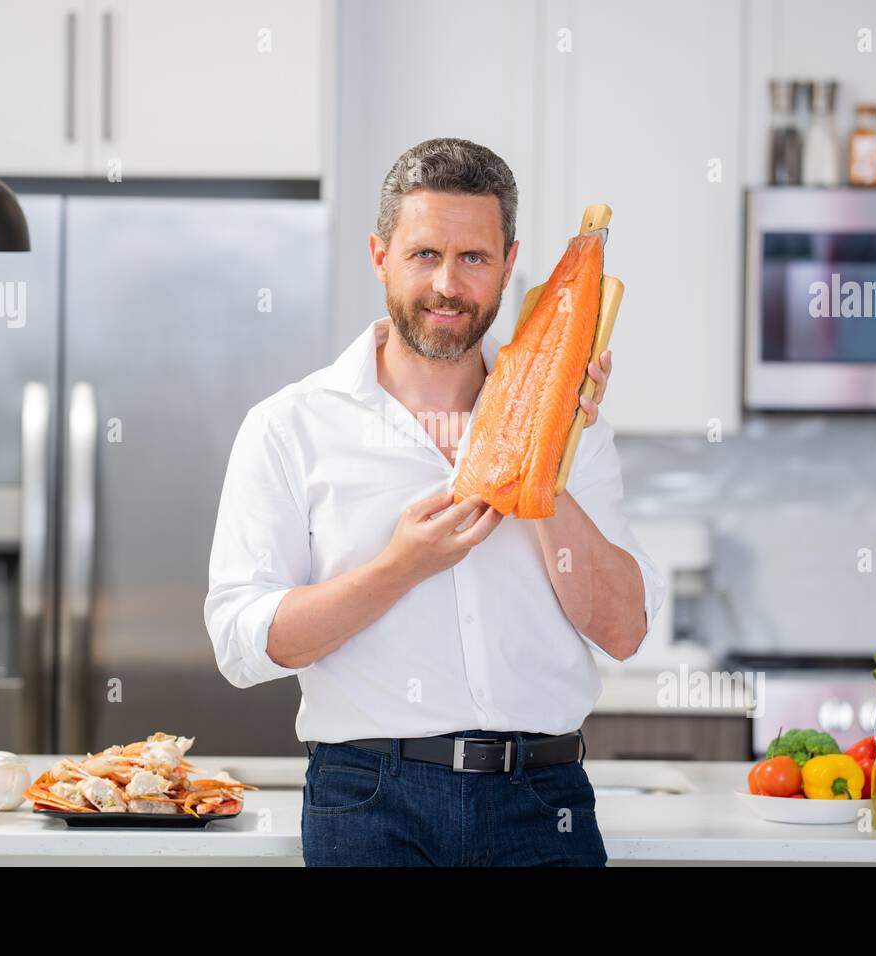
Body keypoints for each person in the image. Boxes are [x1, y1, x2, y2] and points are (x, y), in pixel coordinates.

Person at [205, 137, 666, 866]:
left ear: (510, 266)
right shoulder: (291, 427)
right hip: (370, 802)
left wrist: (542, 454)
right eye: (424, 255)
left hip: (543, 801)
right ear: (379, 254)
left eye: (474, 258)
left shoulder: (574, 426)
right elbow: (242, 645)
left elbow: (623, 630)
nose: (448, 284)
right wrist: (398, 567)